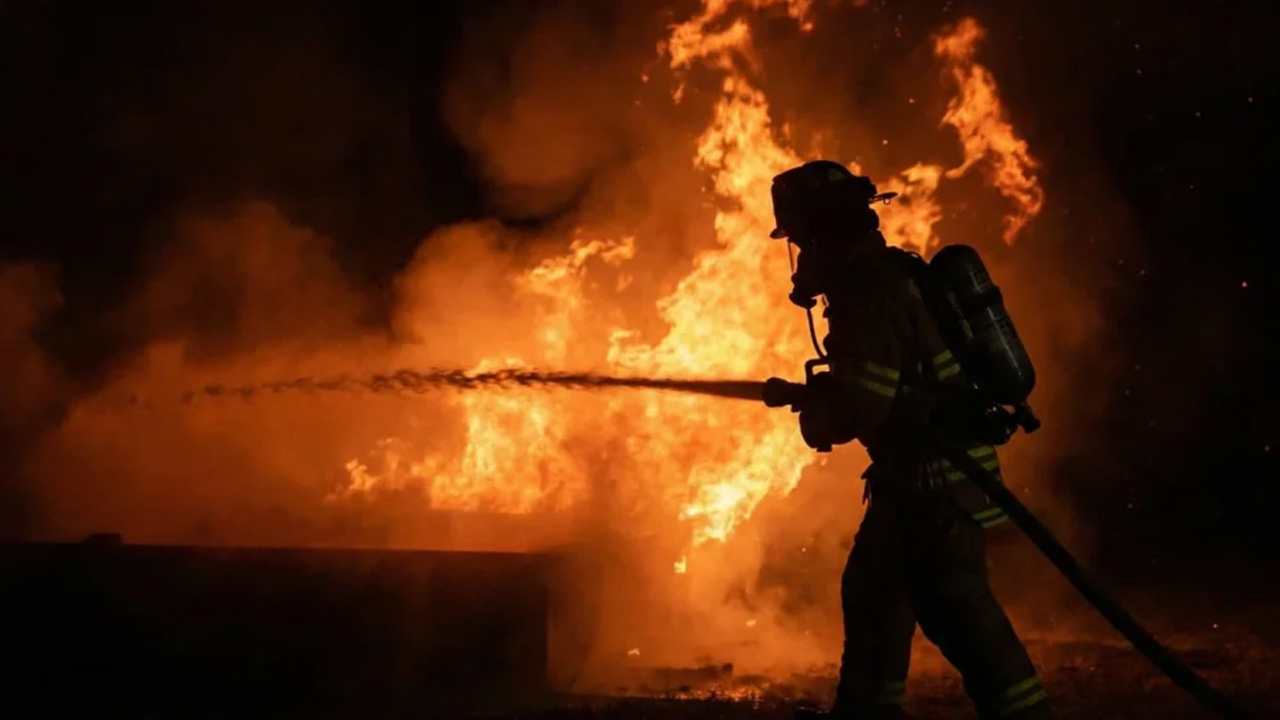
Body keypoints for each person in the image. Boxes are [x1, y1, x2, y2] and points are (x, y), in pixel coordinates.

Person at [766, 160, 1052, 720]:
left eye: (800, 237)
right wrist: (821, 393)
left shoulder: (867, 295)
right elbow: (892, 385)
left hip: (936, 489)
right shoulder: (890, 278)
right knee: (874, 601)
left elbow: (863, 403)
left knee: (965, 620)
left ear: (824, 230)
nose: (799, 252)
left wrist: (818, 414)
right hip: (910, 485)